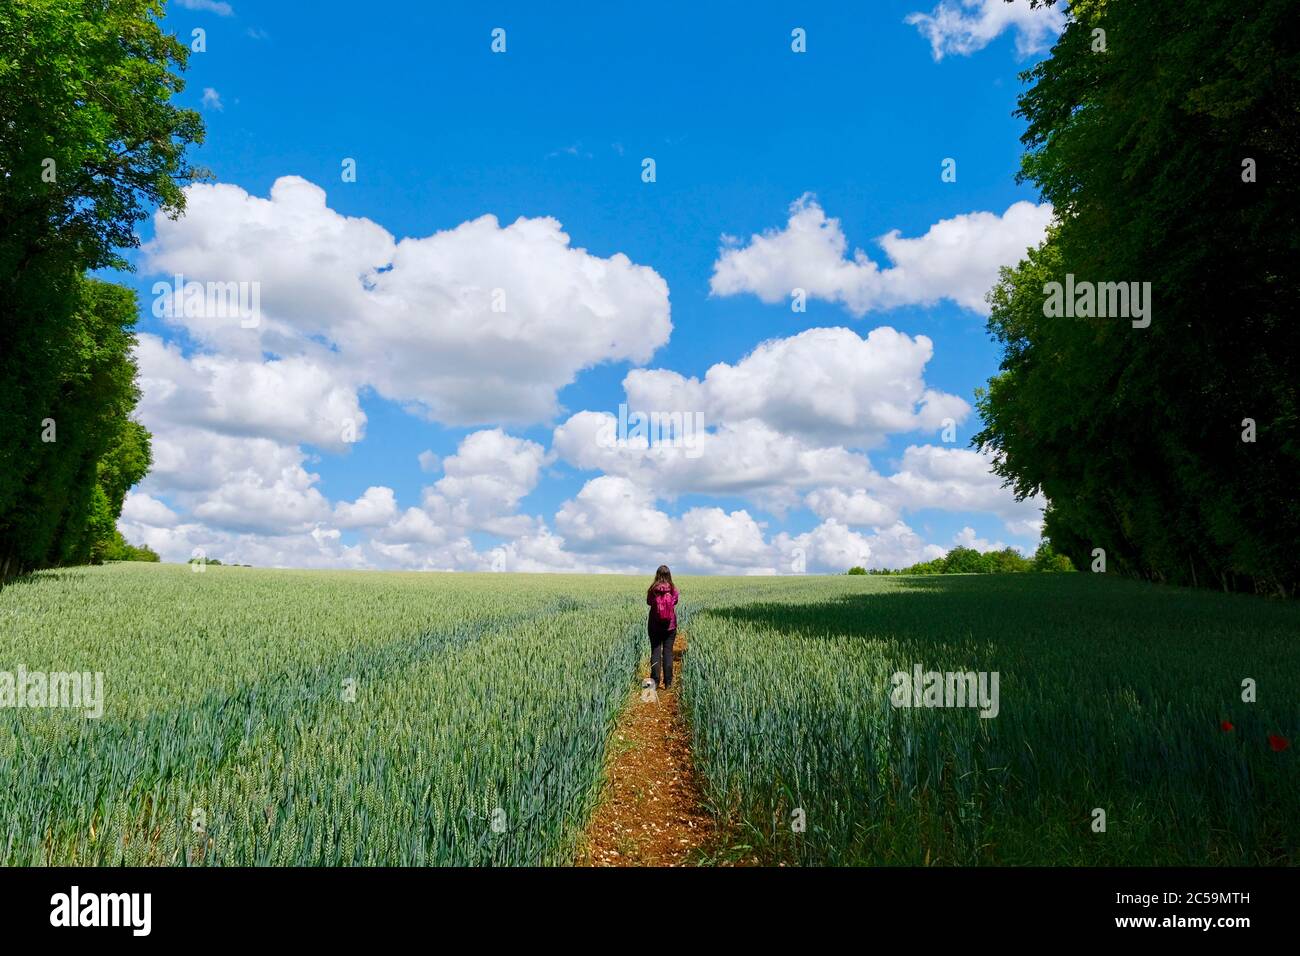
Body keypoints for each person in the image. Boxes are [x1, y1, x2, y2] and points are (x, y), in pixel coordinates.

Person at [645, 564, 679, 689]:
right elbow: (675, 601)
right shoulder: (673, 589)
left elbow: (648, 602)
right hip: (670, 626)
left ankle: (654, 683)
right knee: (668, 653)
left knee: (655, 652)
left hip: (654, 626)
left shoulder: (652, 589)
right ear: (669, 575)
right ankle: (668, 683)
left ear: (657, 575)